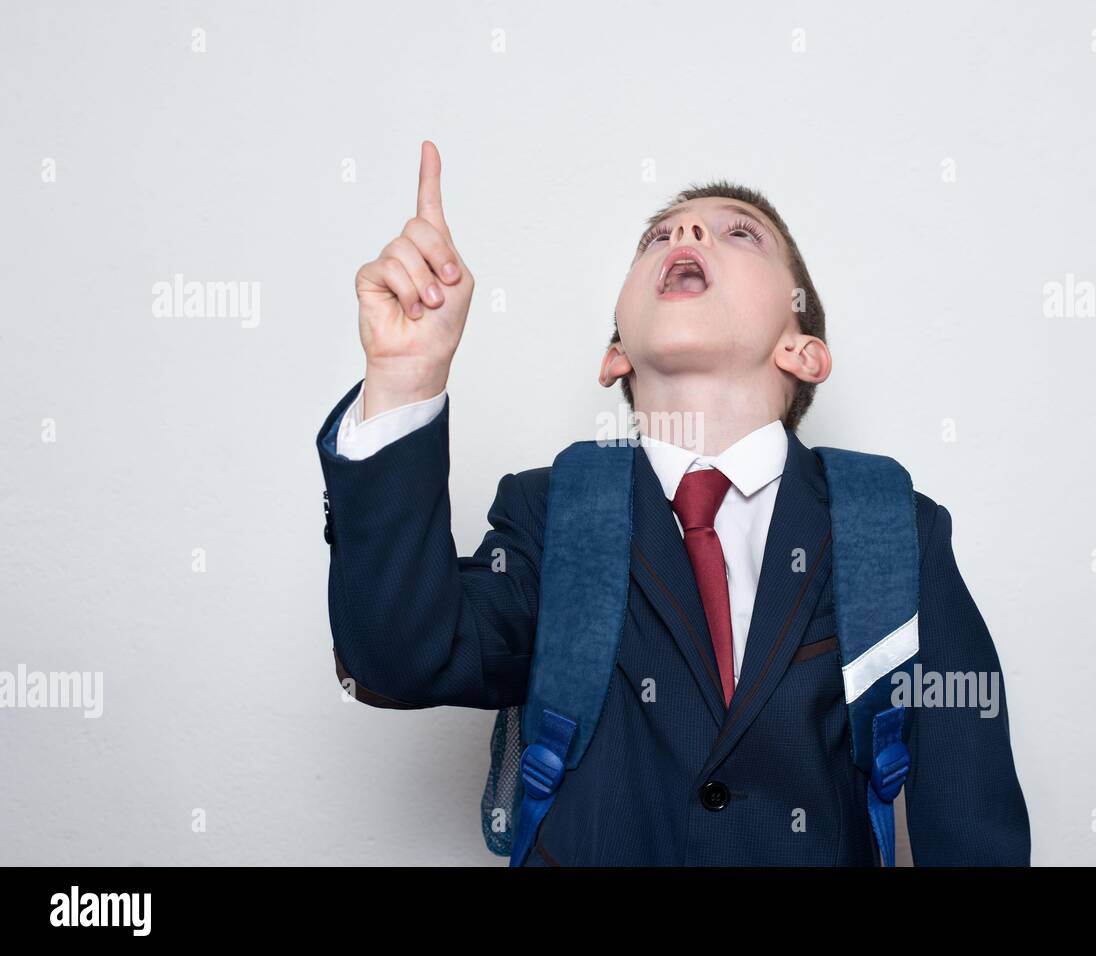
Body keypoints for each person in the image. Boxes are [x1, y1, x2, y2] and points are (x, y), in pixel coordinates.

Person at [315, 140, 1031, 866]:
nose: (686, 235)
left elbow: (973, 822)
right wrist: (405, 380)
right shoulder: (551, 512)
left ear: (802, 348)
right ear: (615, 354)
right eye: (660, 235)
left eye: (738, 232)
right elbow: (399, 658)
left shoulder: (894, 526)